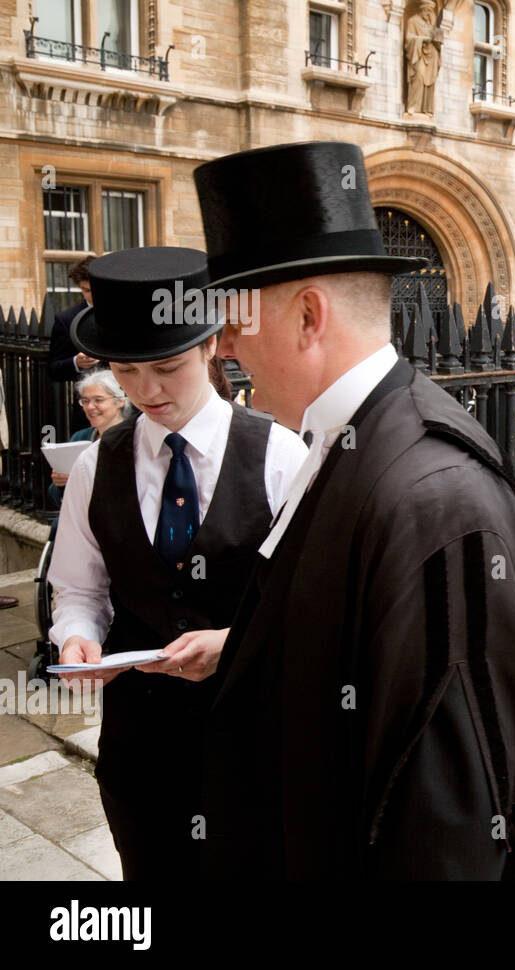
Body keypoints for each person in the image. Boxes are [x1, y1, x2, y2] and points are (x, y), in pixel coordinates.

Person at [193, 140, 515, 878]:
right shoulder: (351, 441)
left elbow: (449, 830)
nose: (221, 348)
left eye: (232, 322)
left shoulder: (435, 497)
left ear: (309, 315)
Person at [48, 246, 309, 879]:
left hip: (252, 740)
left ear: (210, 345)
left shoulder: (281, 456)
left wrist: (233, 641)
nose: (145, 391)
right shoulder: (95, 465)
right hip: (141, 749)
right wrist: (77, 637)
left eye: (165, 367)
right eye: (126, 371)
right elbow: (79, 590)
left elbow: (311, 605)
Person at [47, 370, 130, 510]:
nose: (90, 407)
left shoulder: (132, 437)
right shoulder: (80, 437)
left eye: (98, 400)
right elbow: (54, 496)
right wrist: (60, 483)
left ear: (120, 401)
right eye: (85, 401)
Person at [49, 255, 100, 434]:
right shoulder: (66, 319)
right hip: (89, 411)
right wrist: (76, 363)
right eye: (86, 290)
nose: (93, 295)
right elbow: (54, 369)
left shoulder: (127, 315)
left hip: (128, 404)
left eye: (98, 289)